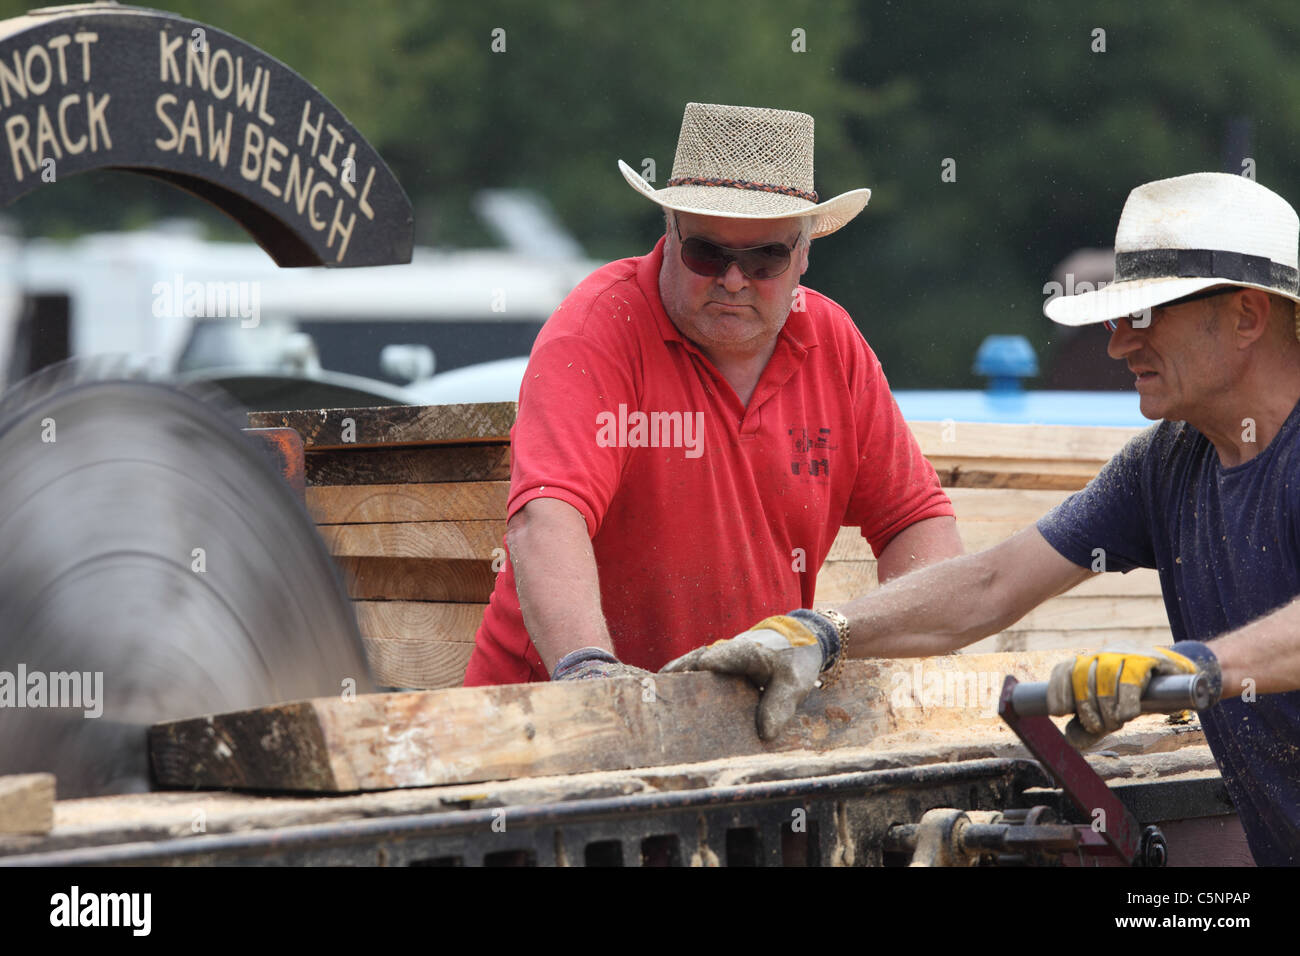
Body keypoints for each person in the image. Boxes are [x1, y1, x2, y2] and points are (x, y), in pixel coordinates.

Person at [666, 171, 1300, 865]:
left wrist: (1190, 665)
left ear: (1247, 315)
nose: (1119, 345)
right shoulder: (1169, 465)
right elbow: (993, 583)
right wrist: (823, 633)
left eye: (1144, 318)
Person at [463, 102, 963, 687]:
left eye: (764, 257)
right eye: (708, 253)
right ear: (670, 234)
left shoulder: (833, 342)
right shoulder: (598, 329)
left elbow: (915, 519)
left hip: (740, 718)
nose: (732, 279)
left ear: (804, 254)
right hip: (538, 722)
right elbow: (547, 515)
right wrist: (588, 673)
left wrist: (903, 685)